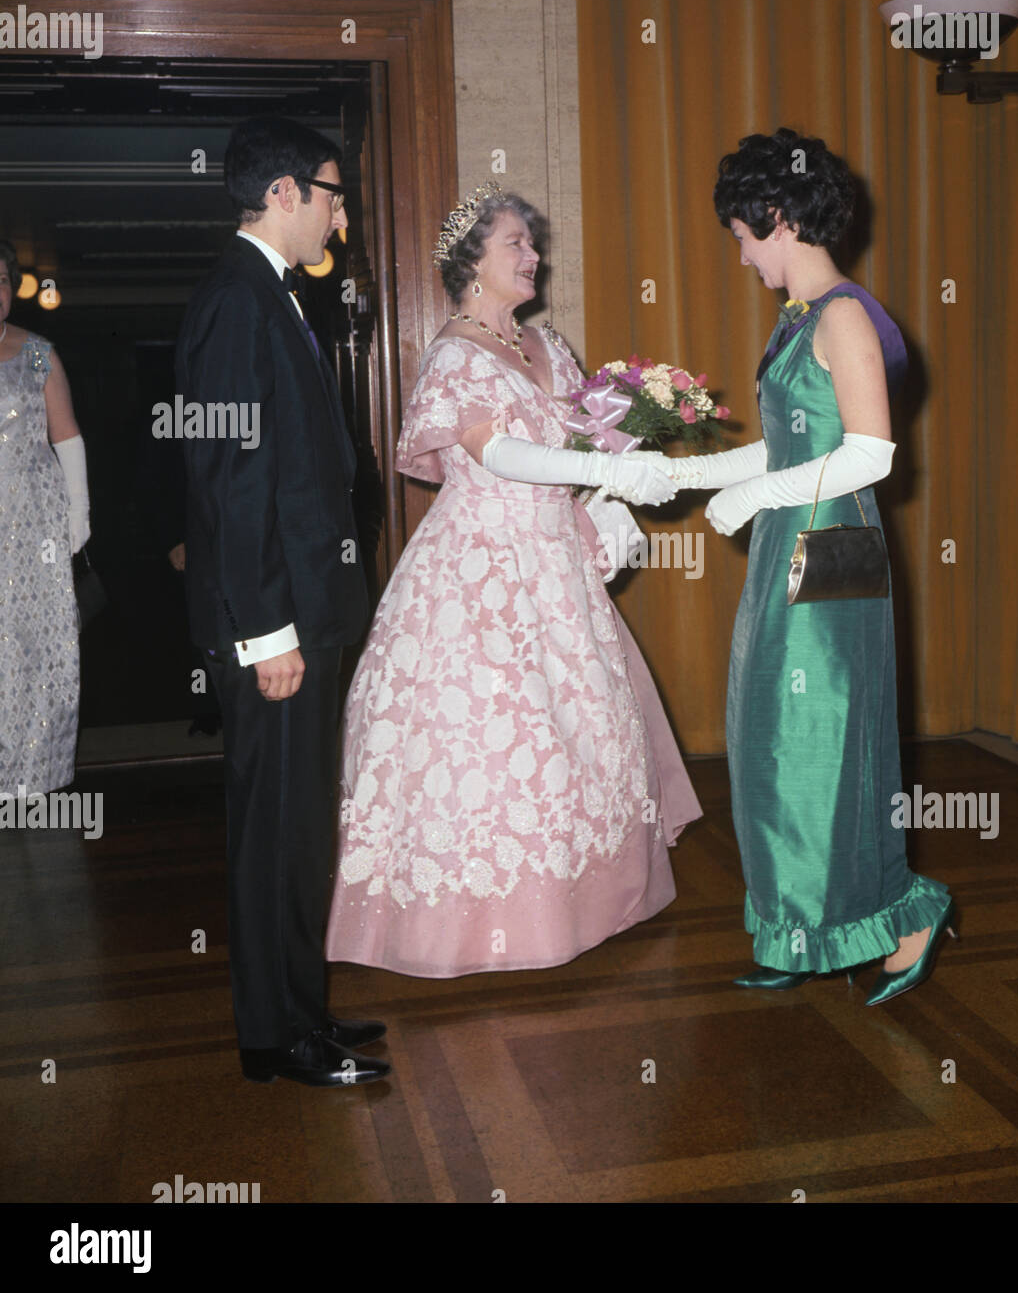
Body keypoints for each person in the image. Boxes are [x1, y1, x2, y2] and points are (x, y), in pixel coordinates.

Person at [326, 183, 701, 978]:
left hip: (557, 566)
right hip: (479, 572)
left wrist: (631, 448)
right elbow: (499, 456)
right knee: (498, 733)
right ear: (471, 264)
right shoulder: (453, 357)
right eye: (515, 245)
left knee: (585, 730)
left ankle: (587, 900)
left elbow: (590, 435)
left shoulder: (550, 347)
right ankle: (480, 921)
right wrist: (600, 464)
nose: (534, 257)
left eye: (533, 244)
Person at [648, 129, 955, 1003]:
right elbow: (785, 447)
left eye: (743, 236)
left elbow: (872, 453)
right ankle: (804, 928)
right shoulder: (801, 319)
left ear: (775, 216)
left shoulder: (846, 315)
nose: (742, 256)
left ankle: (903, 913)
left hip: (832, 554)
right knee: (772, 742)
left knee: (822, 746)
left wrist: (751, 501)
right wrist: (685, 474)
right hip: (795, 540)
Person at [176, 117, 388, 1086]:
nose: (341, 211)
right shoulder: (238, 300)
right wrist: (268, 631)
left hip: (301, 613)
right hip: (277, 628)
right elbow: (232, 479)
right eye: (333, 193)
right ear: (285, 193)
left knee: (300, 828)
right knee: (276, 835)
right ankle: (277, 1034)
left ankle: (301, 1013)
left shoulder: (275, 296)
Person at [0, 239, 87, 794]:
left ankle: (28, 785)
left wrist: (79, 515)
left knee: (34, 655)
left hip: (33, 531)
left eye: (2, 280)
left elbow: (68, 437)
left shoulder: (37, 353)